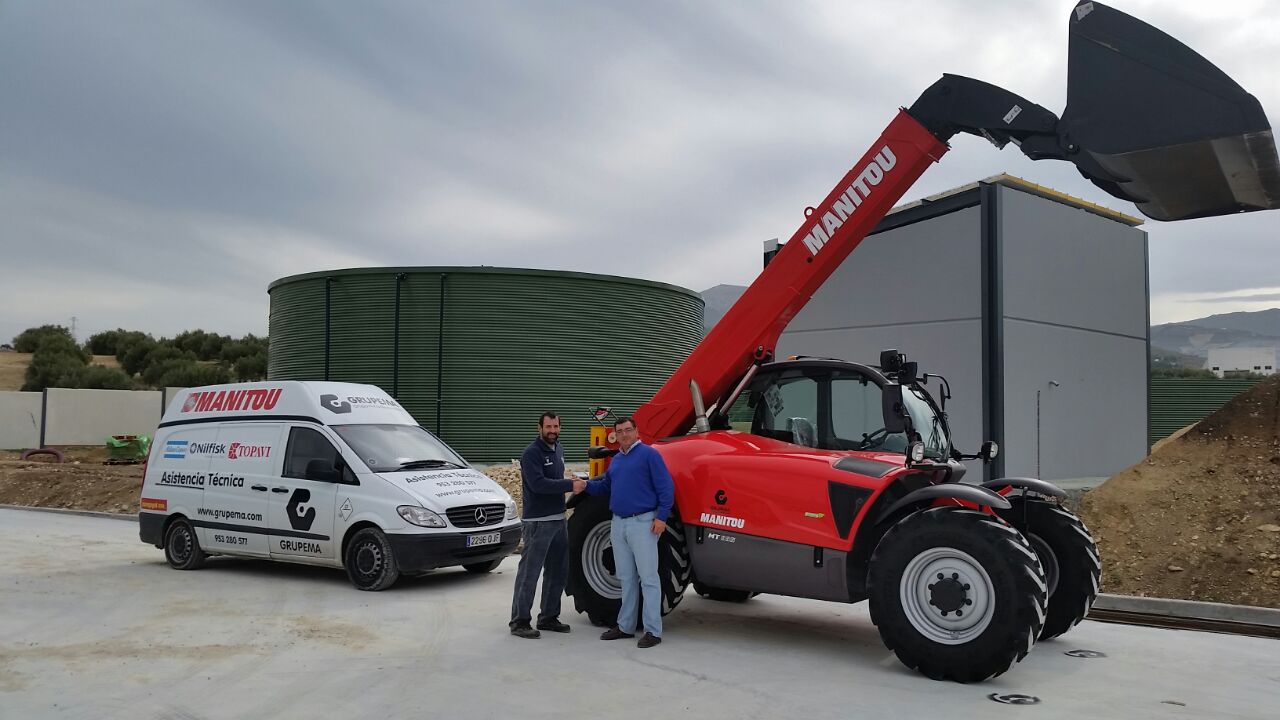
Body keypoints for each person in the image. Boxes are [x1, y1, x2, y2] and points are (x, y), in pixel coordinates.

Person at [584, 415, 674, 648]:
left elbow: (666, 487)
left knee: (649, 578)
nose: (624, 434)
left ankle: (653, 631)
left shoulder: (649, 455)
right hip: (619, 524)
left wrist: (661, 517)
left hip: (643, 523)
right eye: (620, 431)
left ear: (636, 432)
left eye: (628, 430)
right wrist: (584, 485)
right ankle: (625, 626)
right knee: (626, 578)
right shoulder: (617, 461)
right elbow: (606, 487)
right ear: (616, 435)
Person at [509, 412, 586, 639]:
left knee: (557, 572)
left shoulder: (558, 449)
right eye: (548, 426)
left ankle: (549, 617)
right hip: (538, 524)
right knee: (529, 574)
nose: (552, 430)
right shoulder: (531, 453)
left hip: (558, 519)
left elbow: (554, 479)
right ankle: (520, 621)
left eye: (556, 426)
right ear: (539, 428)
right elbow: (538, 484)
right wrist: (570, 484)